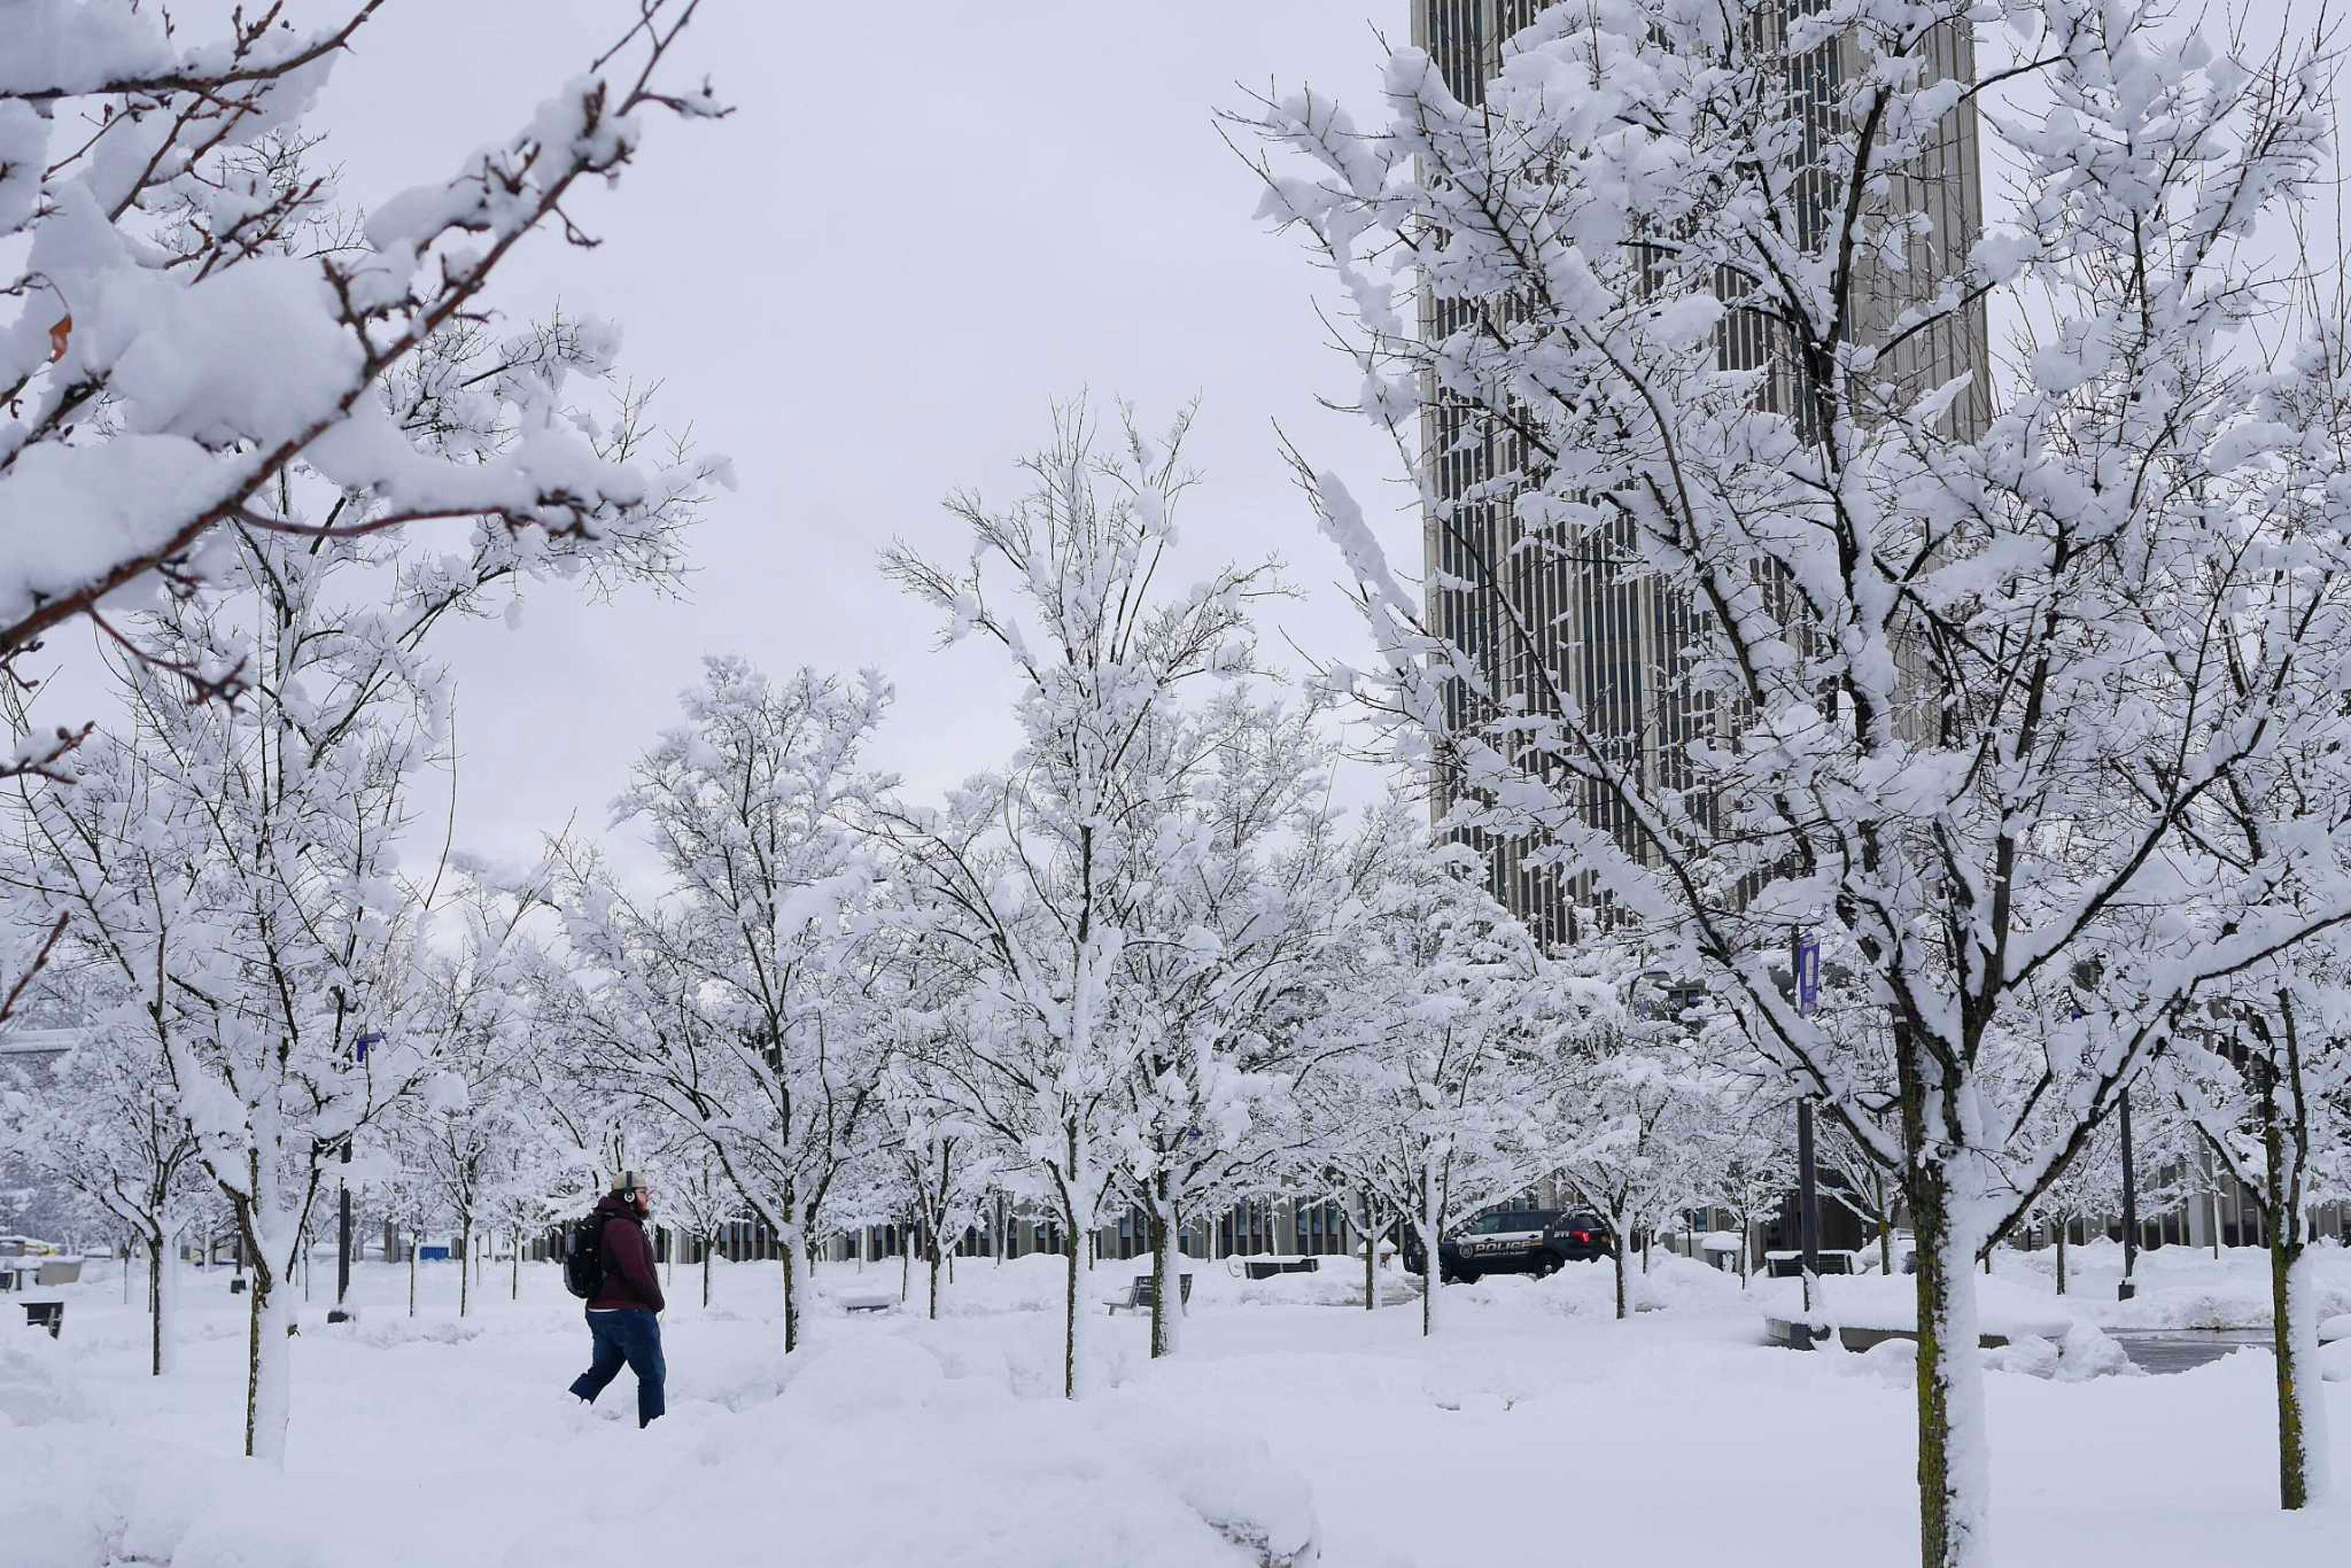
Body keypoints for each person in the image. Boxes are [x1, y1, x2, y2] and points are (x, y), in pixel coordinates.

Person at [568, 1171, 667, 1427]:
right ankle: (656, 1434)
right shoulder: (624, 1227)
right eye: (645, 1193)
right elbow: (637, 1272)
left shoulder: (607, 1221)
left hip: (601, 1313)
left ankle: (562, 1415)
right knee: (653, 1375)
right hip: (628, 1315)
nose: (648, 1198)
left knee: (600, 1372)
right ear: (630, 1195)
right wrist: (657, 1302)